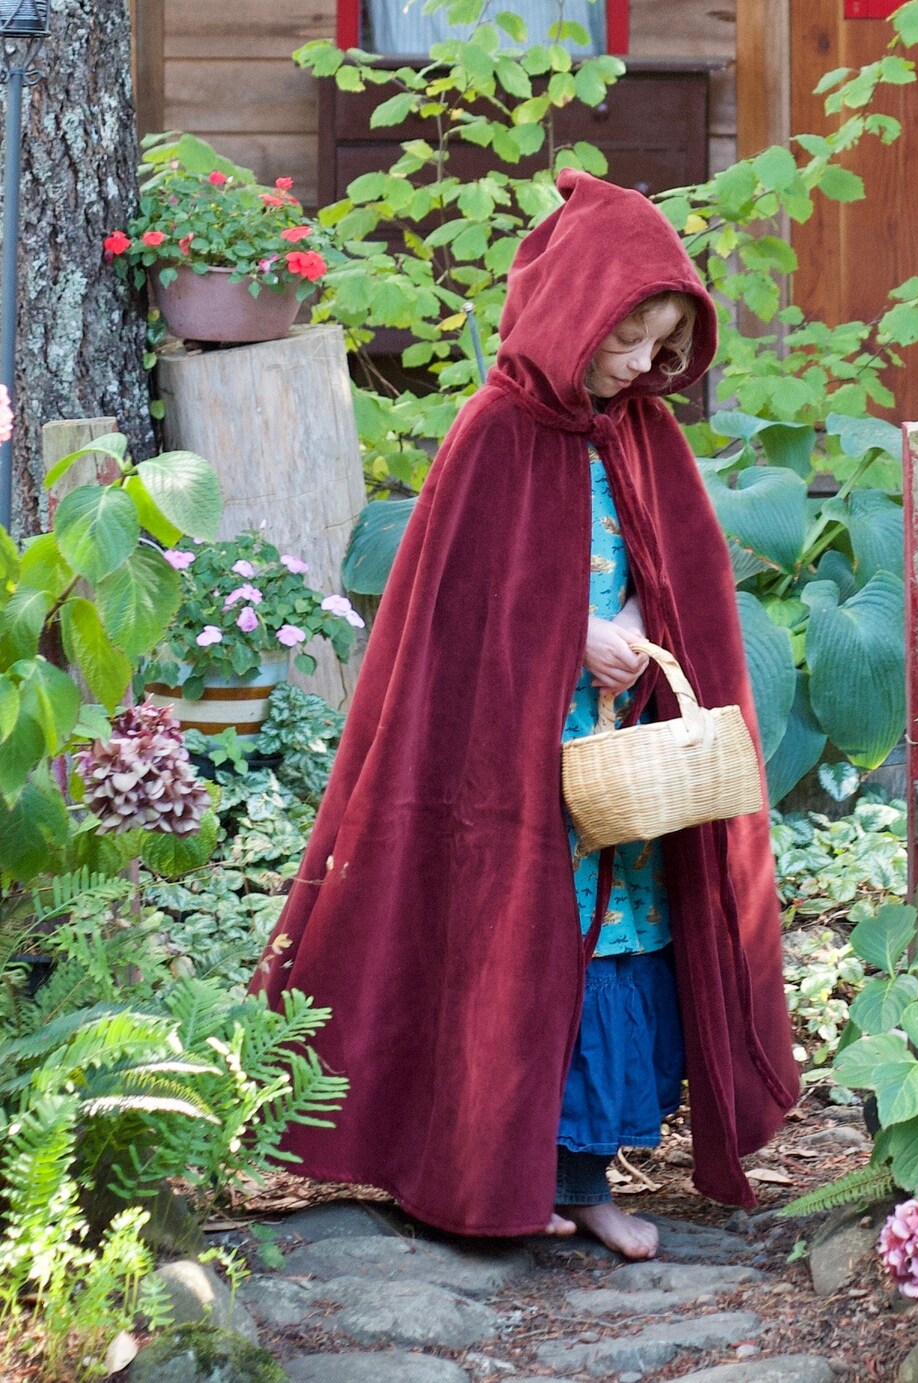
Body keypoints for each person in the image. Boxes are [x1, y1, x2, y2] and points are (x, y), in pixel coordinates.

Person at [248, 169, 801, 1258]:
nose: (646, 367)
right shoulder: (494, 433)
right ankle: (486, 1168)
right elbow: (453, 627)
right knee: (504, 945)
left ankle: (583, 1177)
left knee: (615, 951)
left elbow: (679, 569)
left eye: (663, 346)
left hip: (620, 758)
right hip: (513, 766)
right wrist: (565, 644)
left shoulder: (643, 434)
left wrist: (641, 614)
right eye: (631, 338)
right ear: (575, 312)